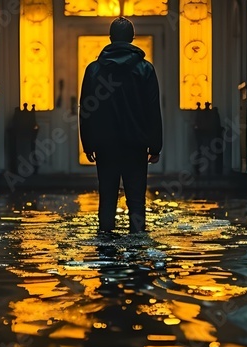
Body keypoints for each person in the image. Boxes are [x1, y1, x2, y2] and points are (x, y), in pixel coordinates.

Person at [79, 17, 163, 235]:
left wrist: (88, 144)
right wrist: (155, 146)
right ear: (132, 39)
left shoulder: (94, 70)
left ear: (111, 38)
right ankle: (137, 251)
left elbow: (86, 110)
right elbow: (152, 110)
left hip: (105, 145)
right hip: (135, 144)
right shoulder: (145, 70)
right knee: (136, 200)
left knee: (107, 198)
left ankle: (106, 249)